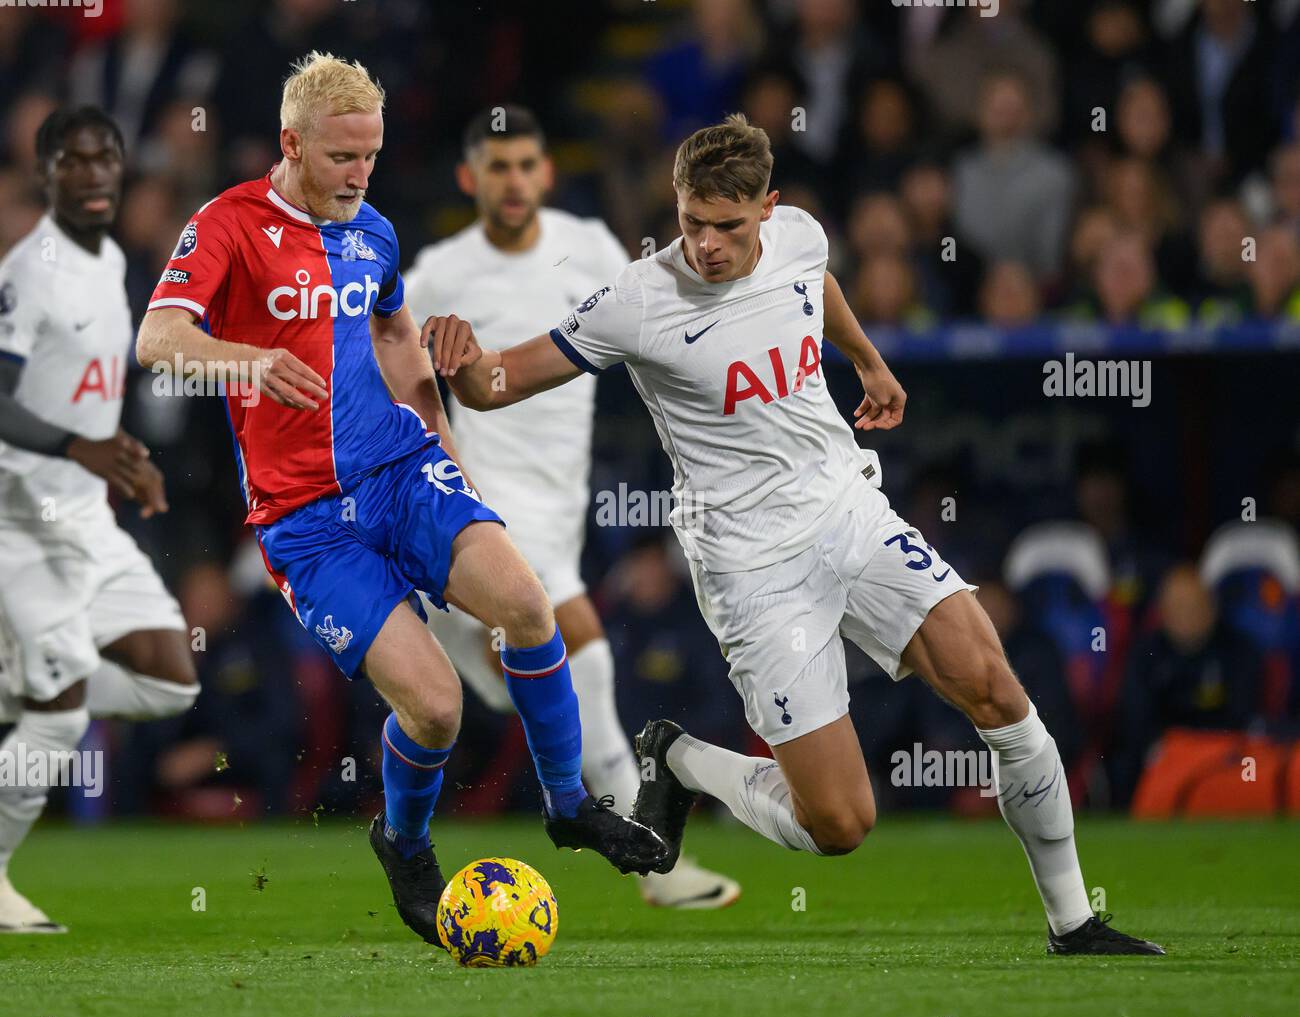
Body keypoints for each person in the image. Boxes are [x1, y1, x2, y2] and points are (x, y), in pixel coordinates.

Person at [424, 114, 1164, 955]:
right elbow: (496, 384)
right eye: (692, 222)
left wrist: (868, 360)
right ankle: (683, 763)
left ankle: (1074, 921)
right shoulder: (638, 299)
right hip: (751, 566)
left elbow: (821, 288)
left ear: (768, 211)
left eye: (728, 227)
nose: (705, 244)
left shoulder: (802, 237)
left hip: (848, 510)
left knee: (995, 686)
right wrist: (460, 360)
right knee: (841, 823)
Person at [134, 53, 666, 948]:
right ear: (292, 144)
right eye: (342, 157)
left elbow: (393, 328)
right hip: (305, 522)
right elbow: (158, 337)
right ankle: (405, 841)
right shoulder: (228, 223)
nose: (359, 174)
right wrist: (248, 360)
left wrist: (447, 451)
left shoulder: (373, 231)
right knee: (437, 707)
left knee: (530, 608)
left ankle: (570, 803)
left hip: (400, 470)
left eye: (371, 156)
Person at [404, 105, 738, 909]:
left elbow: (653, 320)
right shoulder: (439, 272)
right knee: (583, 651)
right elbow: (385, 358)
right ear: (469, 178)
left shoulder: (587, 247)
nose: (513, 180)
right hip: (477, 510)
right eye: (497, 166)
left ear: (546, 172)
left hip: (558, 513)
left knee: (511, 688)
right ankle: (650, 855)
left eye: (525, 164)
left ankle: (582, 822)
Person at [0, 106, 200, 933]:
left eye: (106, 158)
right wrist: (79, 448)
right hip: (19, 518)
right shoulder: (29, 271)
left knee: (167, 679)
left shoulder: (113, 262)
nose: (93, 174)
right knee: (61, 703)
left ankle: (23, 681)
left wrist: (123, 457)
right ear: (49, 174)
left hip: (86, 515)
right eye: (73, 161)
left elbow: (87, 394)